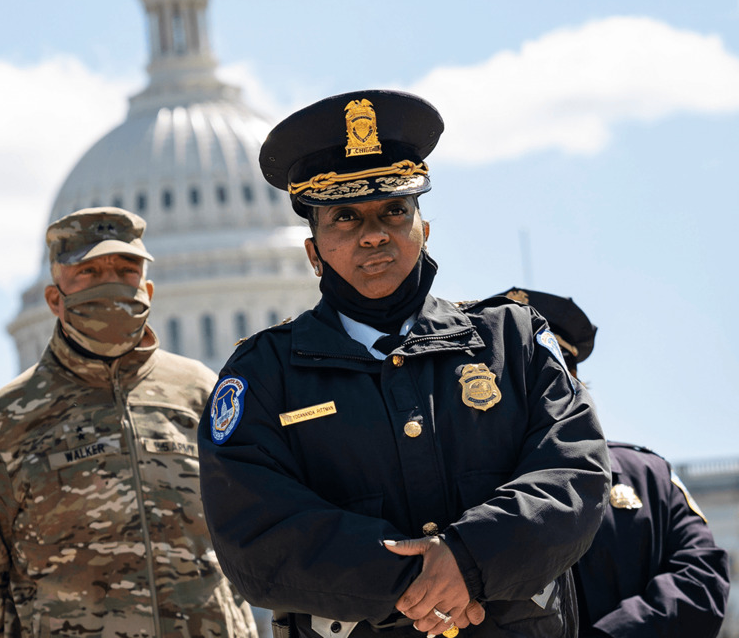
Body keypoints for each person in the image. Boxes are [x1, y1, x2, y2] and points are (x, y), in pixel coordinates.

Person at [197, 89, 611, 638]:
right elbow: (255, 530)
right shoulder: (263, 375)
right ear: (313, 251)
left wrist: (468, 558)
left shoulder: (514, 341)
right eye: (344, 217)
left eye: (395, 209)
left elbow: (574, 474)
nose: (374, 234)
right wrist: (423, 580)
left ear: (425, 227)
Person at [0, 207, 257, 638]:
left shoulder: (205, 395)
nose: (109, 283)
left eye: (125, 269)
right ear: (54, 299)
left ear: (149, 289)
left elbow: (260, 525)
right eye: (88, 272)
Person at [494, 288, 731, 638]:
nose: (542, 394)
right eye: (525, 379)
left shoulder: (650, 476)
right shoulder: (473, 487)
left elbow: (702, 579)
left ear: (577, 385)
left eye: (555, 377)